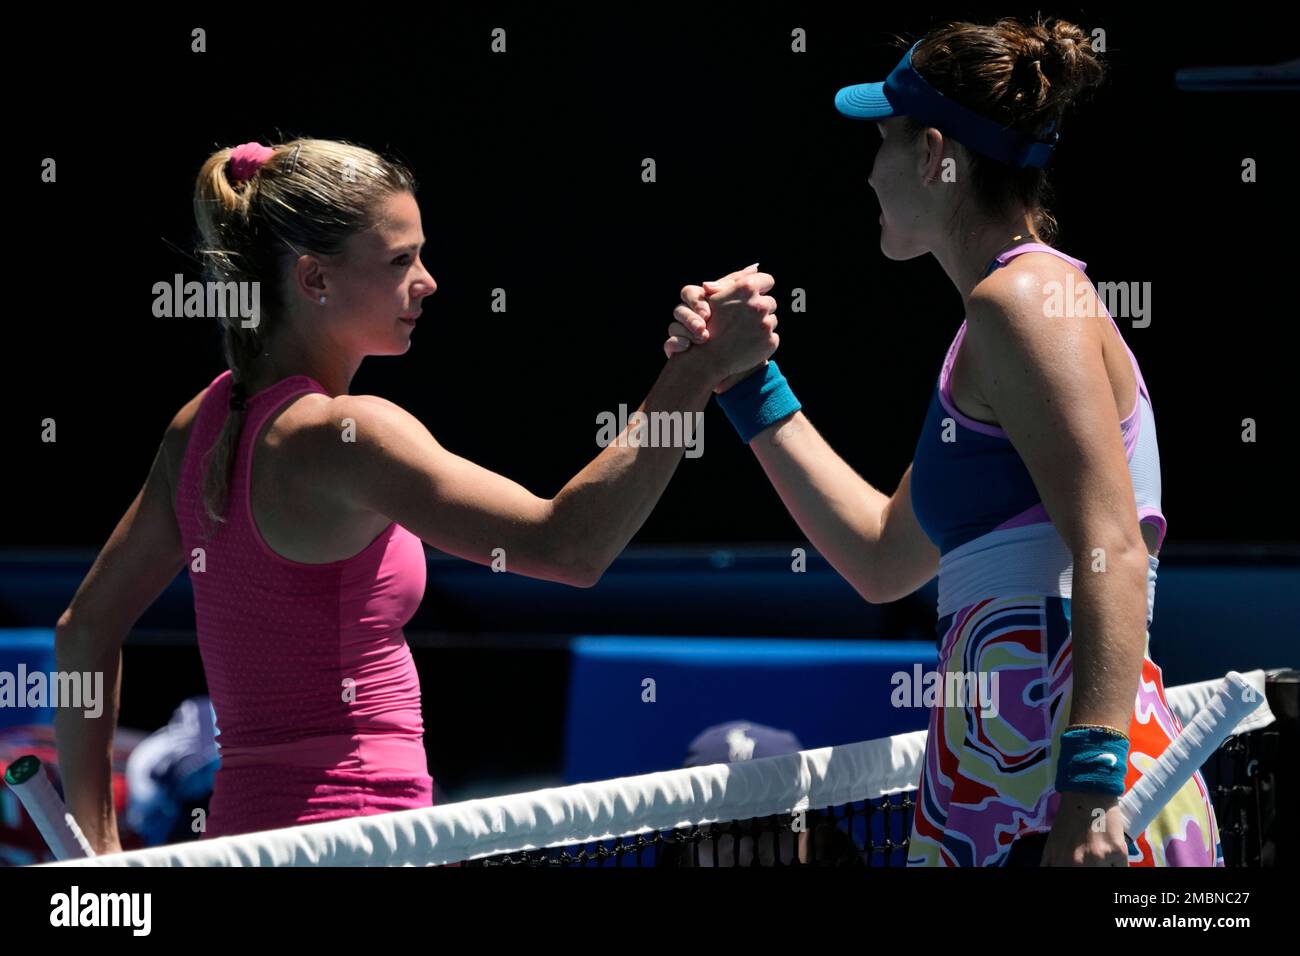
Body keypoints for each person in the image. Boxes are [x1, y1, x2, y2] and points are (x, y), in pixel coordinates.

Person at [52, 137, 779, 851]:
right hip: (363, 839)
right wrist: (697, 373)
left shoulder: (198, 426)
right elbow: (570, 545)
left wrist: (98, 851)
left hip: (243, 842)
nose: (428, 280)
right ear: (314, 280)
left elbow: (83, 629)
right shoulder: (352, 436)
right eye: (401, 260)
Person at [663, 16, 1222, 867]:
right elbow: (883, 557)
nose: (867, 170)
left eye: (882, 141)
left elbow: (1111, 546)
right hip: (1006, 785)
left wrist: (1090, 794)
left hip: (1067, 801)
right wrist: (745, 382)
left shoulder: (1023, 302)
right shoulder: (994, 327)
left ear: (934, 157)